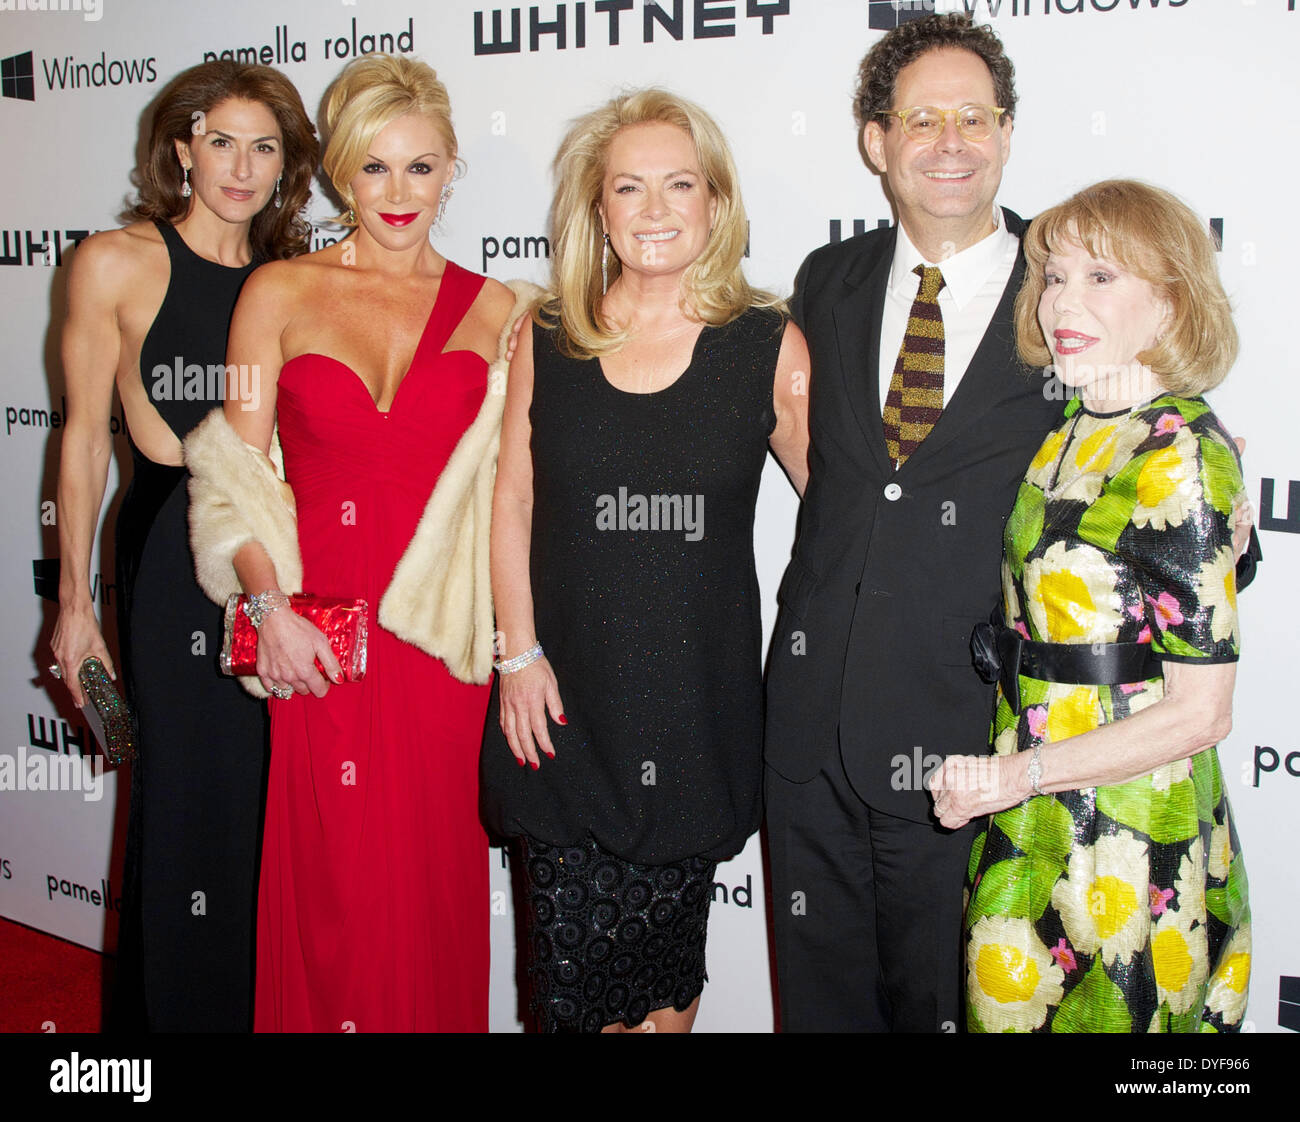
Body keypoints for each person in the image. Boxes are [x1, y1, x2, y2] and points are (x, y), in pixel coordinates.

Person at [184, 53, 527, 1032]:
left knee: (428, 894)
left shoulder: (499, 311)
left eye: (420, 167)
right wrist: (266, 607)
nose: (398, 193)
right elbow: (231, 475)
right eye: (374, 168)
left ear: (453, 166)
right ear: (339, 170)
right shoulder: (278, 294)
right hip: (318, 639)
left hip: (439, 654)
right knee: (329, 896)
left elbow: (518, 495)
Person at [480, 88, 810, 1033]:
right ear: (598, 208)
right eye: (630, 188)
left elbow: (849, 503)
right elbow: (513, 498)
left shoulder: (764, 343)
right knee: (573, 1000)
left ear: (717, 201)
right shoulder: (549, 334)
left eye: (680, 184)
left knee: (666, 1001)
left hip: (691, 718)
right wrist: (516, 654)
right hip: (560, 712)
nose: (656, 209)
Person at [764, 13, 1058, 1033]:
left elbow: (1142, 455)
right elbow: (829, 473)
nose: (948, 141)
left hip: (970, 742)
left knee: (951, 1009)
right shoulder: (827, 282)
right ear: (874, 142)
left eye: (972, 117)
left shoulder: (1068, 289)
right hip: (809, 738)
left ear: (1007, 134)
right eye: (920, 118)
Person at [929, 180, 1250, 1033]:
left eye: (1101, 277)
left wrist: (1016, 776)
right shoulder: (1070, 427)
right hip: (1033, 798)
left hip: (1130, 831)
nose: (1062, 300)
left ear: (1171, 302)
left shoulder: (1182, 452)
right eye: (1054, 274)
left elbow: (1202, 714)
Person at [51, 59, 317, 1032]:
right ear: (180, 149)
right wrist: (75, 607)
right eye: (220, 142)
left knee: (266, 815)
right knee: (181, 809)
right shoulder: (115, 262)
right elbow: (83, 439)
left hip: (271, 556)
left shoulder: (295, 279)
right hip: (169, 556)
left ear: (287, 166)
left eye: (264, 147)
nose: (240, 168)